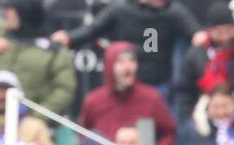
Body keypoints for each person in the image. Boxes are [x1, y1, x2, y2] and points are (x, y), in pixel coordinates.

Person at [0, 0, 77, 118]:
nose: (6, 13)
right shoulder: (2, 33)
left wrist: (35, 118)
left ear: (25, 12)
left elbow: (64, 91)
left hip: (33, 129)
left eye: (11, 9)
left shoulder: (53, 50)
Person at [51, 0, 201, 95]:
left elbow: (195, 33)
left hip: (159, 82)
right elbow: (93, 29)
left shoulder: (174, 12)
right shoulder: (120, 9)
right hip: (124, 81)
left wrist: (201, 37)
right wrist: (70, 38)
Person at [79, 42, 177, 145]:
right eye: (121, 62)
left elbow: (168, 132)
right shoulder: (94, 100)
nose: (127, 67)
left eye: (131, 61)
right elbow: (84, 135)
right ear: (110, 65)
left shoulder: (151, 97)